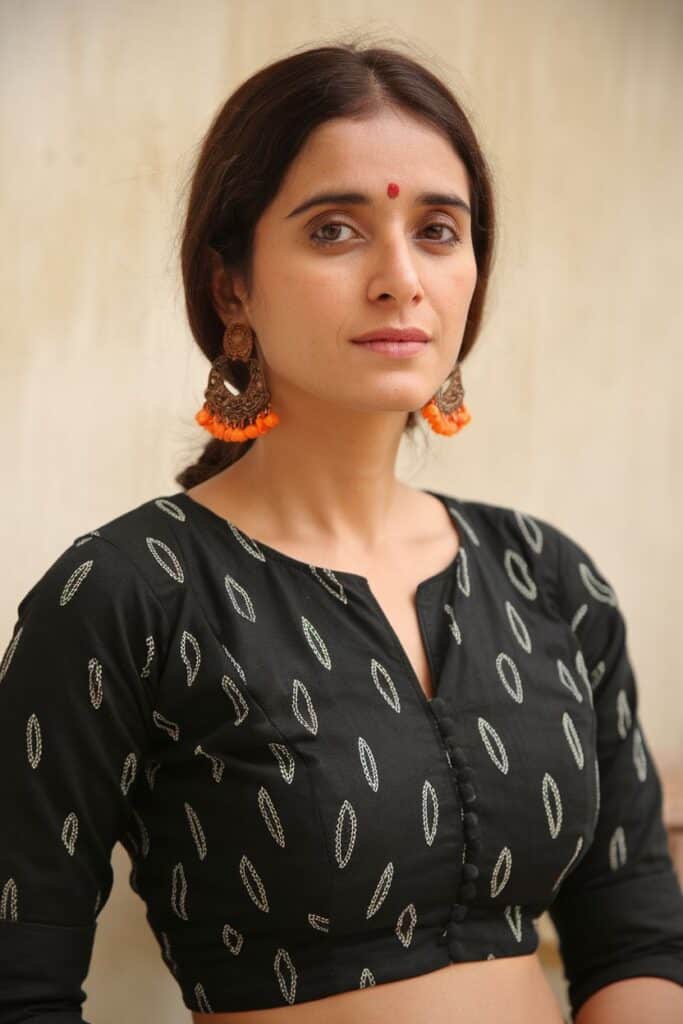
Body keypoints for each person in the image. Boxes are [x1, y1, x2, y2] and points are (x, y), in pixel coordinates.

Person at [1, 38, 682, 1024]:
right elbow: (19, 977)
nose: (399, 278)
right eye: (334, 230)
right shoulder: (129, 590)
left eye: (438, 229)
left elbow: (630, 922)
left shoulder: (546, 577)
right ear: (231, 287)